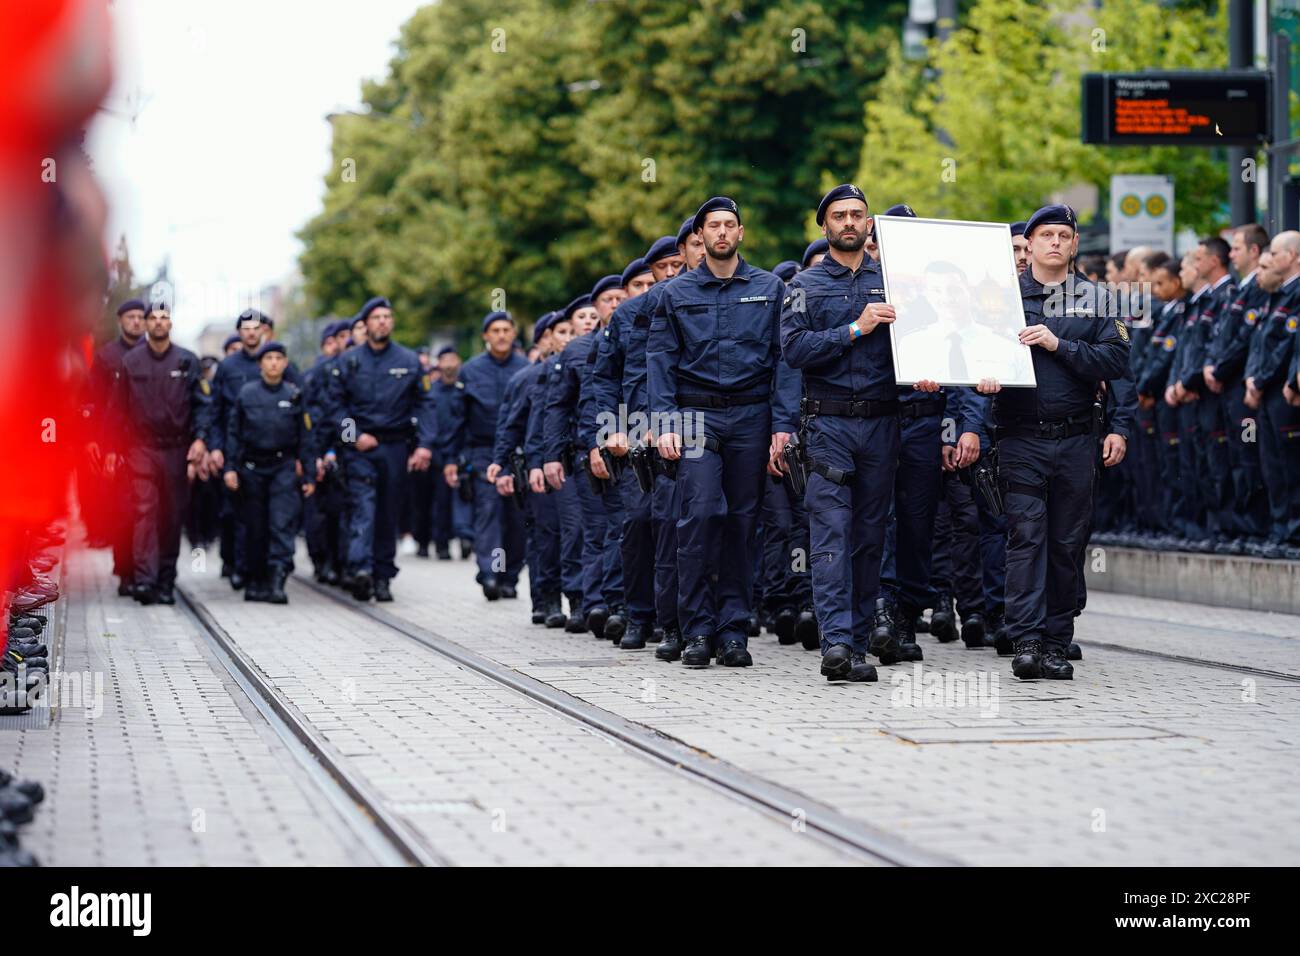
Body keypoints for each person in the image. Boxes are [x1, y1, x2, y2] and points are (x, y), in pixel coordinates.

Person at [977, 204, 1128, 681]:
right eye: (1046, 235)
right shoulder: (999, 298)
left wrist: (1058, 345)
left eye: (1064, 235)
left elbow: (1117, 361)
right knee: (1025, 538)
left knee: (1066, 543)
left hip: (1077, 438)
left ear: (1075, 244)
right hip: (1021, 438)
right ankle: (1025, 639)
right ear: (1031, 243)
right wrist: (980, 381)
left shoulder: (1098, 299)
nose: (1056, 243)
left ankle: (1056, 640)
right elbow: (972, 349)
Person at [650, 195, 799, 668]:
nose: (720, 232)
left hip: (752, 417)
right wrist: (663, 421)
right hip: (696, 416)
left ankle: (733, 629)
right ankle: (696, 629)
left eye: (729, 225)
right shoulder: (675, 294)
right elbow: (660, 362)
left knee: (741, 522)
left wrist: (783, 425)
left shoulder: (770, 288)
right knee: (699, 515)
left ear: (740, 233)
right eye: (712, 226)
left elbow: (785, 362)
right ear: (700, 237)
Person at [781, 185, 913, 681]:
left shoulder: (897, 282)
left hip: (883, 421)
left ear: (869, 225)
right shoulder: (803, 286)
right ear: (825, 226)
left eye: (858, 214)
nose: (850, 222)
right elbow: (794, 350)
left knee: (870, 536)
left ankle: (857, 645)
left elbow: (923, 339)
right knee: (831, 532)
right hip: (829, 423)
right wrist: (854, 329)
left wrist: (924, 371)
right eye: (840, 216)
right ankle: (835, 641)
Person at [325, 296, 437, 601]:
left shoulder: (409, 361)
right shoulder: (347, 361)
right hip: (360, 449)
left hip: (395, 446)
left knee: (388, 511)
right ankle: (360, 569)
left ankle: (383, 575)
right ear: (365, 324)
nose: (383, 322)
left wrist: (424, 446)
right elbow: (335, 407)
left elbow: (426, 404)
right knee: (363, 506)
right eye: (376, 317)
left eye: (388, 317)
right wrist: (354, 436)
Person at [104, 301, 211, 606]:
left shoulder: (188, 361)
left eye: (165, 317)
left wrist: (201, 440)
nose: (159, 322)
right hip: (142, 448)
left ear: (171, 324)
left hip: (177, 449)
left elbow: (204, 406)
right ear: (147, 324)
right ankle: (145, 581)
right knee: (144, 512)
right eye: (154, 317)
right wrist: (113, 448)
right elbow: (118, 409)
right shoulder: (131, 362)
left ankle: (166, 580)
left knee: (171, 515)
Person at [206, 309, 302, 590]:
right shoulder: (228, 367)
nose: (250, 332)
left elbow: (302, 410)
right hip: (238, 450)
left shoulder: (282, 365)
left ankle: (268, 572)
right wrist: (216, 447)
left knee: (273, 518)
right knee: (239, 515)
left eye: (255, 327)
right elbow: (217, 411)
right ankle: (238, 566)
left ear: (264, 331)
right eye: (245, 328)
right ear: (239, 333)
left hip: (278, 455)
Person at [442, 311, 530, 599]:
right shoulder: (470, 370)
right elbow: (457, 418)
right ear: (485, 336)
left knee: (516, 518)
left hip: (519, 453)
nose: (502, 335)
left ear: (513, 334)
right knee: (489, 515)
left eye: (506, 329)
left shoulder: (525, 368)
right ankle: (490, 575)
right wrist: (452, 459)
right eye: (495, 330)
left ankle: (510, 577)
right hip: (484, 452)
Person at [222, 341, 315, 604]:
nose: (274, 362)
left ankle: (277, 581)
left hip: (283, 468)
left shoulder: (294, 394)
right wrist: (230, 468)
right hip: (252, 468)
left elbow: (306, 438)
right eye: (269, 358)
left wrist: (308, 474)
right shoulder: (246, 394)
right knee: (255, 527)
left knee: (281, 525)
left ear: (285, 363)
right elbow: (234, 434)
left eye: (278, 358)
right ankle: (256, 580)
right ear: (261, 363)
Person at [1209, 224, 1271, 553]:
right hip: (1228, 388)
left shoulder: (1257, 288)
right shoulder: (1240, 290)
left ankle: (1257, 528)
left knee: (1250, 459)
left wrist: (1218, 369)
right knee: (1235, 459)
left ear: (1254, 251)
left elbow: (1244, 339)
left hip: (1241, 386)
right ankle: (1242, 528)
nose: (1231, 254)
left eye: (1236, 248)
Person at [84, 298, 145, 595]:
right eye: (130, 316)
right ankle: (124, 569)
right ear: (121, 321)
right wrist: (94, 440)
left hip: (148, 444)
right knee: (123, 512)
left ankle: (145, 569)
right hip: (117, 445)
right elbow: (93, 401)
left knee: (148, 511)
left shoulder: (153, 354)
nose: (136, 321)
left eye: (140, 317)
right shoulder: (107, 356)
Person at [1247, 233, 1300, 557]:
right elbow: (1263, 343)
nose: (1269, 258)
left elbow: (1286, 347)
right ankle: (1281, 529)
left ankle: (1293, 531)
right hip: (1267, 392)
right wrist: (1253, 380)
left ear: (1292, 256)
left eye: (1275, 253)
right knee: (1273, 465)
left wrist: (1265, 380)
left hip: (1283, 391)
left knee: (1290, 464)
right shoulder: (1278, 295)